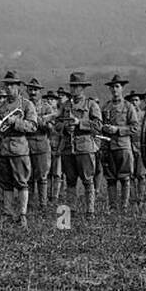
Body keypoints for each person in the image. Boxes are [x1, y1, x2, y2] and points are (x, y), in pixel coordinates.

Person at [0, 71, 40, 226]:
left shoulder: (26, 105)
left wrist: (16, 122)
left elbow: (33, 126)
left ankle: (22, 215)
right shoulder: (1, 106)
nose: (8, 88)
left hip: (19, 149)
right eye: (7, 85)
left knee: (21, 182)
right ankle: (7, 213)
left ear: (18, 87)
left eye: (12, 85)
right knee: (5, 183)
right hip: (3, 149)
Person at [59, 72, 103, 218]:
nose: (73, 89)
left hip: (85, 147)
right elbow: (57, 123)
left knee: (88, 180)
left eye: (76, 86)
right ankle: (70, 212)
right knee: (70, 181)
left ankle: (90, 211)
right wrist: (65, 127)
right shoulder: (65, 105)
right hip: (68, 148)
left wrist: (80, 123)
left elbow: (98, 126)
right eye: (72, 86)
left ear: (82, 88)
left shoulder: (91, 105)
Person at [101, 75, 138, 212]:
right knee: (110, 178)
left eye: (117, 86)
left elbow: (135, 127)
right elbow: (100, 125)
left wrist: (118, 130)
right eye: (112, 87)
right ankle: (112, 206)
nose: (114, 89)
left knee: (125, 177)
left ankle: (124, 206)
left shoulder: (128, 107)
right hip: (109, 146)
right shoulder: (106, 107)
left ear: (122, 88)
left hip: (123, 146)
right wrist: (104, 128)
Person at [25, 78, 56, 212]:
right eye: (30, 89)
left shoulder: (46, 107)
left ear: (40, 91)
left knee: (43, 177)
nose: (33, 92)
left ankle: (43, 205)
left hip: (41, 145)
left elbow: (52, 128)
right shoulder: (23, 105)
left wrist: (41, 122)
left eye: (35, 90)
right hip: (26, 145)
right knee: (29, 177)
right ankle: (30, 204)